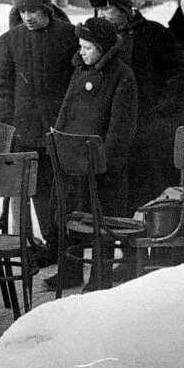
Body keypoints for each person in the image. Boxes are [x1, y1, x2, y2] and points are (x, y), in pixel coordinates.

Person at [0, 0, 79, 284]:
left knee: (65, 194)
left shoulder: (68, 37)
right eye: (22, 11)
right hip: (26, 133)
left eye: (34, 11)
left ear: (47, 10)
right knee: (39, 191)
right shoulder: (8, 42)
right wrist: (6, 125)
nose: (27, 17)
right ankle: (52, 246)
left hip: (62, 131)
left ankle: (69, 251)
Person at [88, 0, 184, 213]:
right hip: (113, 134)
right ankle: (122, 248)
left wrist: (162, 112)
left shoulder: (154, 33)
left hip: (148, 135)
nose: (102, 15)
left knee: (151, 199)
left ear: (123, 6)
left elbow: (182, 72)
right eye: (98, 9)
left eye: (107, 8)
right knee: (115, 202)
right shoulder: (98, 42)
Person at [54, 17, 138, 292]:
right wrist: (59, 140)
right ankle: (69, 272)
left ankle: (99, 278)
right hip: (74, 161)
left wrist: (109, 163)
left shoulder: (122, 75)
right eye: (81, 46)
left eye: (88, 47)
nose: (82, 52)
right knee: (72, 217)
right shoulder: (80, 71)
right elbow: (66, 109)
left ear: (103, 49)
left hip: (103, 167)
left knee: (102, 224)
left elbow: (120, 126)